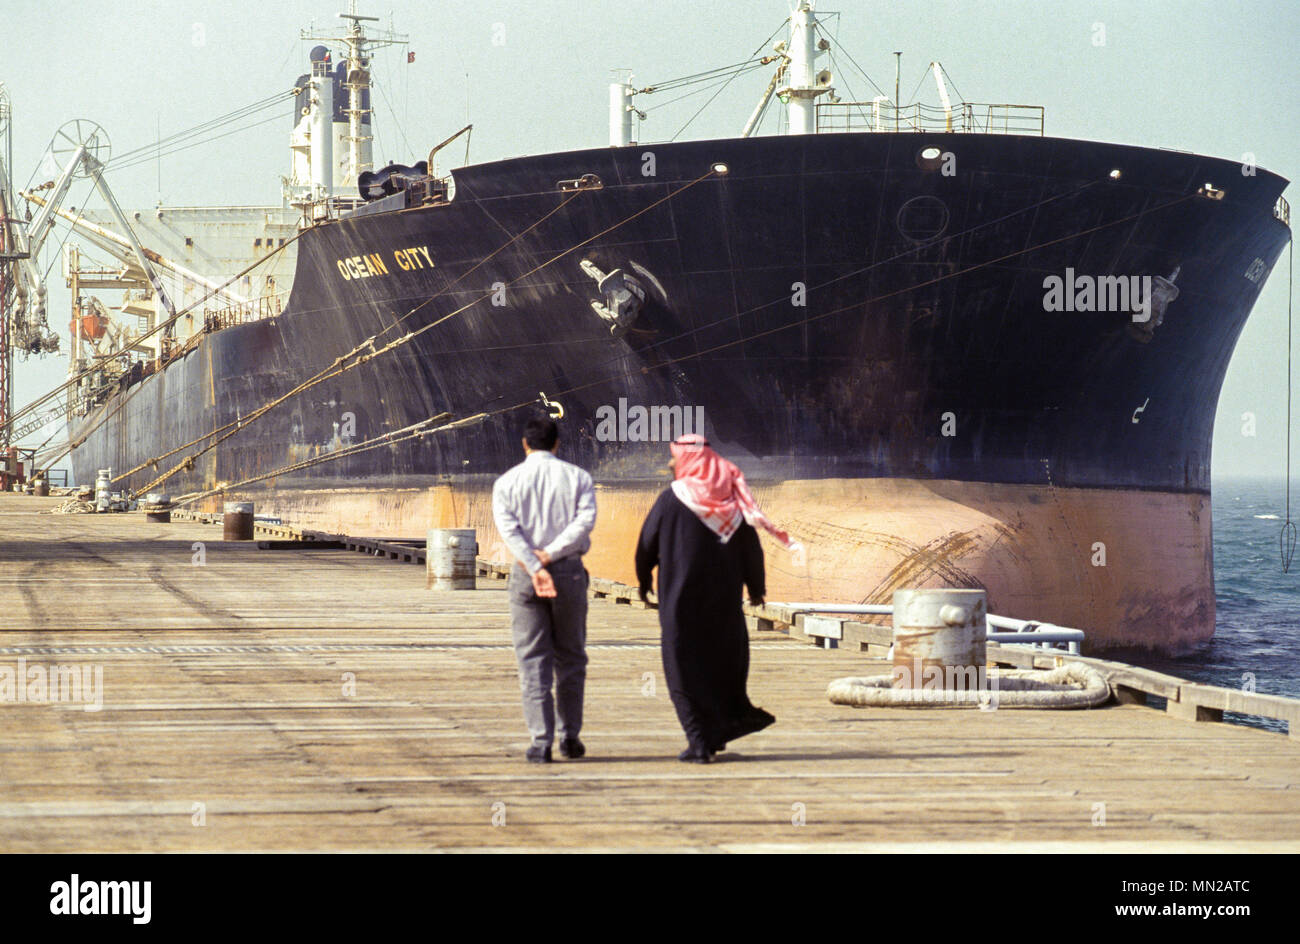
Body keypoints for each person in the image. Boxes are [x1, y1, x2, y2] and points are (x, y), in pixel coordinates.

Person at [634, 434, 802, 763]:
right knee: (720, 668)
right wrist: (756, 589)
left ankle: (699, 740)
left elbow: (646, 545)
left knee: (681, 669)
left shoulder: (670, 500)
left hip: (679, 607)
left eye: (674, 458)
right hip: (724, 607)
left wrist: (643, 582)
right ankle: (712, 735)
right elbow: (751, 550)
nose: (670, 463)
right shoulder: (733, 504)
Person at [492, 415, 597, 763]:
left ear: (525, 444)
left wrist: (534, 566)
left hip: (525, 575)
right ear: (557, 443)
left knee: (532, 658)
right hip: (567, 572)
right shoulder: (579, 478)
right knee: (571, 656)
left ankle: (540, 741)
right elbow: (584, 523)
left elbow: (509, 531)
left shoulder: (507, 483)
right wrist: (550, 555)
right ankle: (570, 738)